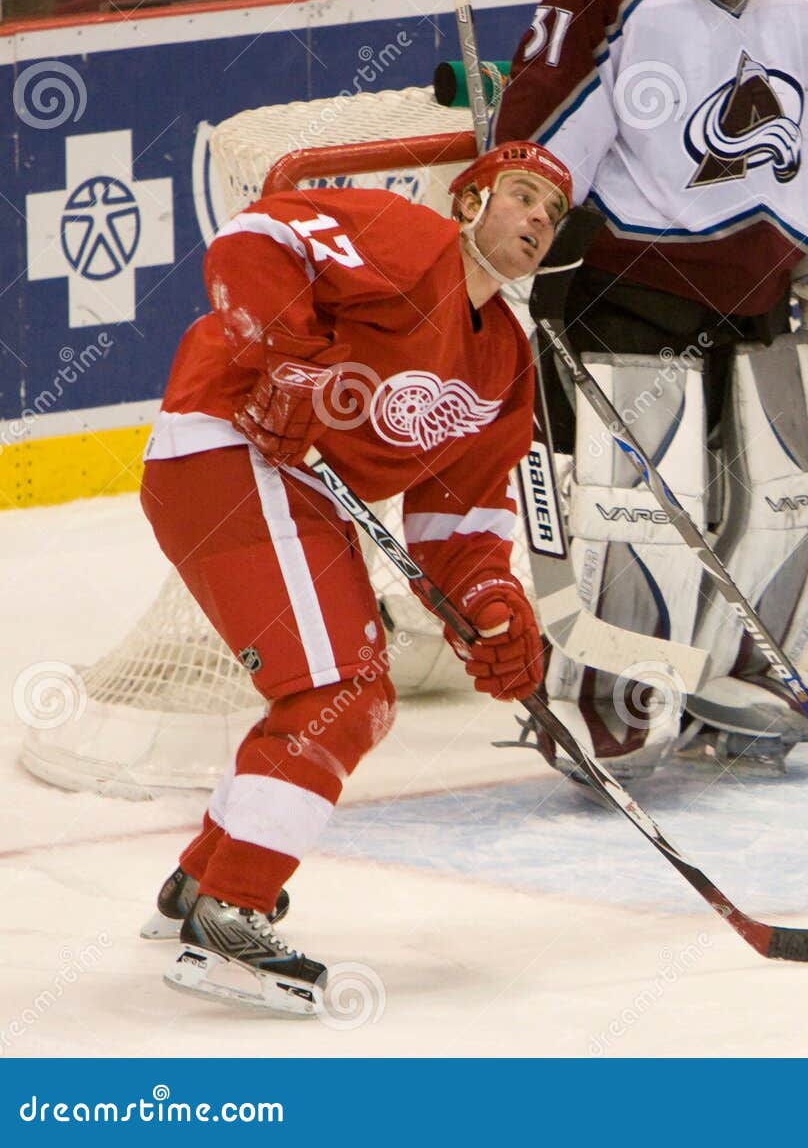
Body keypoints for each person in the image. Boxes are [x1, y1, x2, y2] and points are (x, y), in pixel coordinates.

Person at [137, 141, 572, 1016]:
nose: (536, 218)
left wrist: (489, 604)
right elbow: (254, 238)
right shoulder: (406, 239)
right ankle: (232, 913)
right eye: (521, 195)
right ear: (468, 202)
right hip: (229, 445)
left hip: (298, 486)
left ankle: (205, 879)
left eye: (552, 213)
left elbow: (462, 517)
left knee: (344, 687)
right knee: (344, 688)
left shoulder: (505, 362)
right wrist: (284, 357)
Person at [493, 0, 808, 783]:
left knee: (794, 494)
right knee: (644, 515)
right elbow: (539, 122)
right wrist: (523, 224)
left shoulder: (802, 3)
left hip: (760, 289)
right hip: (628, 285)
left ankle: (742, 668)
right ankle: (606, 697)